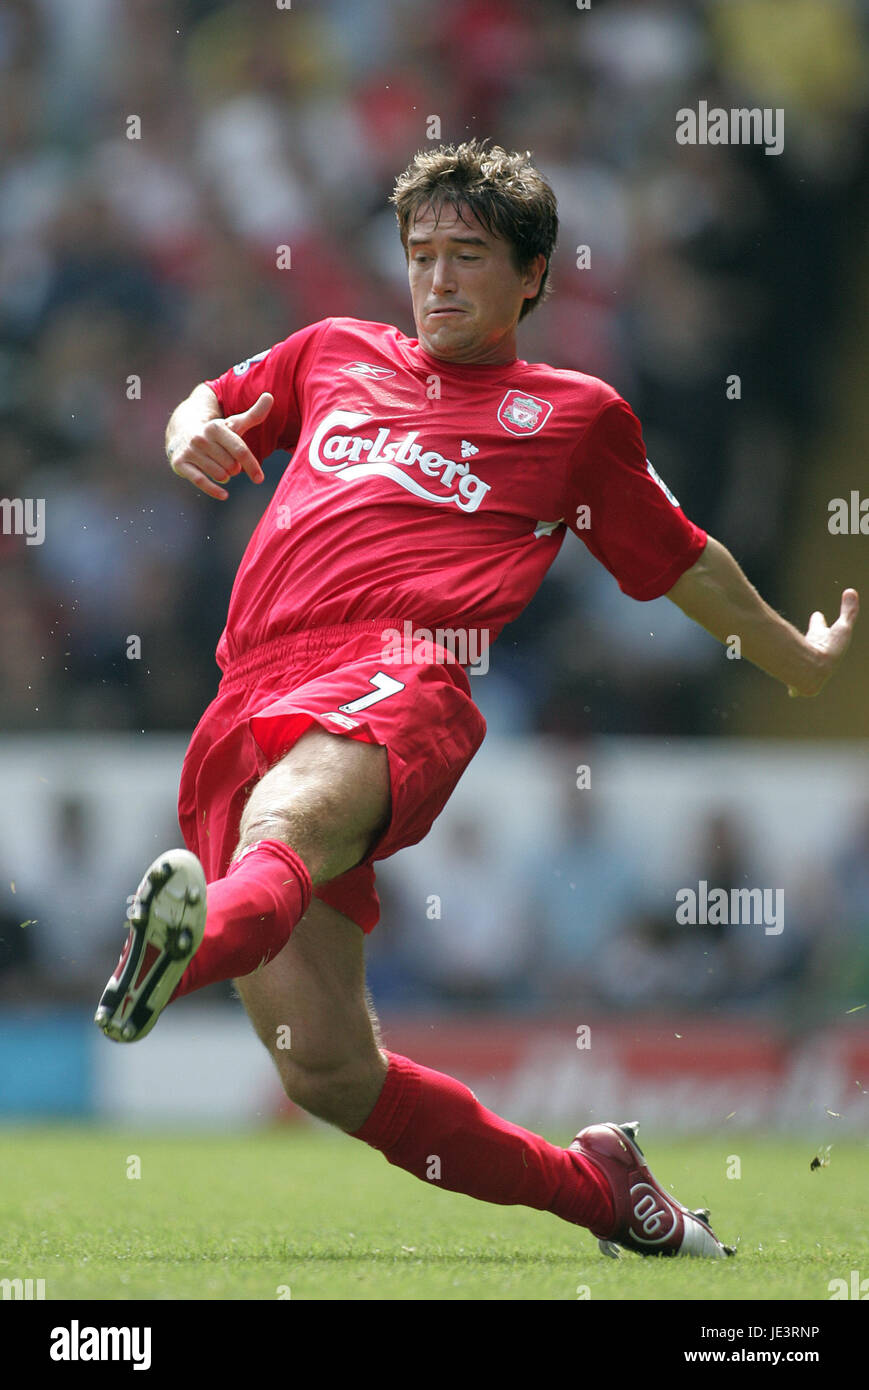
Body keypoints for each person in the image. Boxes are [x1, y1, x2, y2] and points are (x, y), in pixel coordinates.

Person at [95, 141, 857, 1259]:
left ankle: (185, 943)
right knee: (328, 1071)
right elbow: (214, 397)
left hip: (404, 665)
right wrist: (187, 429)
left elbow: (681, 558)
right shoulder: (334, 351)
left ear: (533, 276)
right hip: (248, 685)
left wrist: (793, 659)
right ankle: (611, 1196)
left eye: (467, 256)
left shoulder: (571, 417)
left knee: (283, 824)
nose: (438, 279)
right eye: (420, 255)